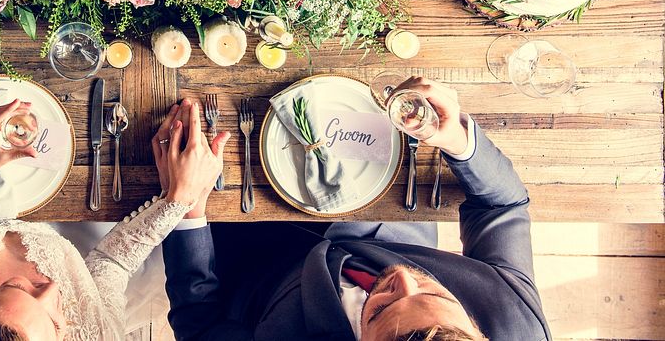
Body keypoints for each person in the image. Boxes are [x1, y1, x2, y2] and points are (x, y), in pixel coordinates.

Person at [162, 78, 552, 341]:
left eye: (382, 309)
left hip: (251, 255)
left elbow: (199, 324)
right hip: (380, 205)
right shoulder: (516, 323)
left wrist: (185, 208)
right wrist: (458, 142)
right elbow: (502, 204)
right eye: (438, 294)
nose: (401, 278)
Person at [0, 97, 228, 340]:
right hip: (78, 227)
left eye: (14, 287)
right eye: (56, 326)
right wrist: (178, 200)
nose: (55, 288)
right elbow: (111, 263)